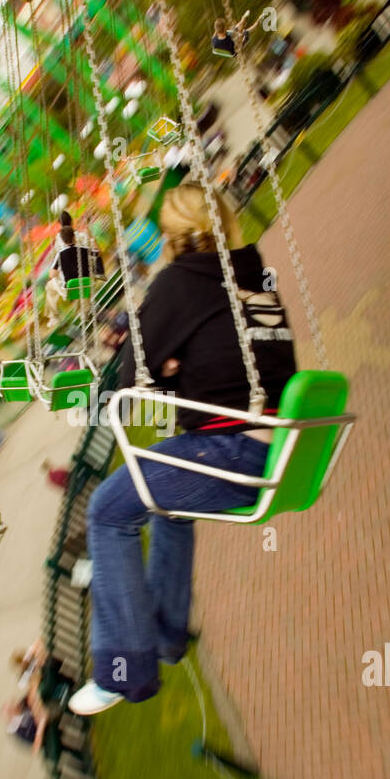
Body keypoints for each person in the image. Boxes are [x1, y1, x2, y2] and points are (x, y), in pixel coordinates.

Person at [68, 184, 297, 715]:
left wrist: (162, 368)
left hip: (236, 450)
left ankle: (123, 670)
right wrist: (178, 371)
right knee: (166, 508)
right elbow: (242, 366)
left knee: (107, 511)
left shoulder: (179, 282)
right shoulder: (253, 273)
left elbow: (123, 388)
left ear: (169, 236)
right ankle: (167, 635)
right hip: (277, 444)